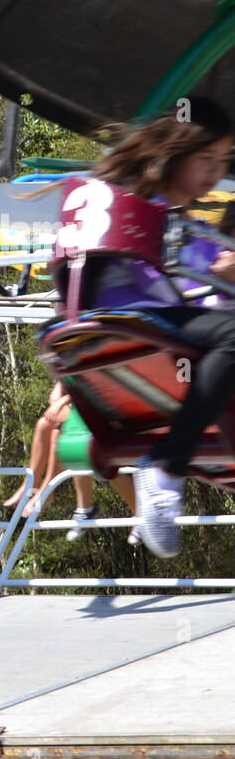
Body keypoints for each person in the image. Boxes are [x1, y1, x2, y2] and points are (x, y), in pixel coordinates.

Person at [72, 98, 235, 557]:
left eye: (222, 162)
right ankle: (165, 465)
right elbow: (164, 272)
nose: (214, 172)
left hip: (121, 319)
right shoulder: (148, 205)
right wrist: (219, 271)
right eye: (207, 158)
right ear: (177, 150)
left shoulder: (141, 201)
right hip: (135, 317)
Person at [5, 382, 139, 542]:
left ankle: (51, 492)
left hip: (104, 405)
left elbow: (94, 384)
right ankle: (31, 483)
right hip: (83, 407)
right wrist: (58, 392)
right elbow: (64, 382)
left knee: (66, 437)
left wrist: (61, 401)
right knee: (43, 425)